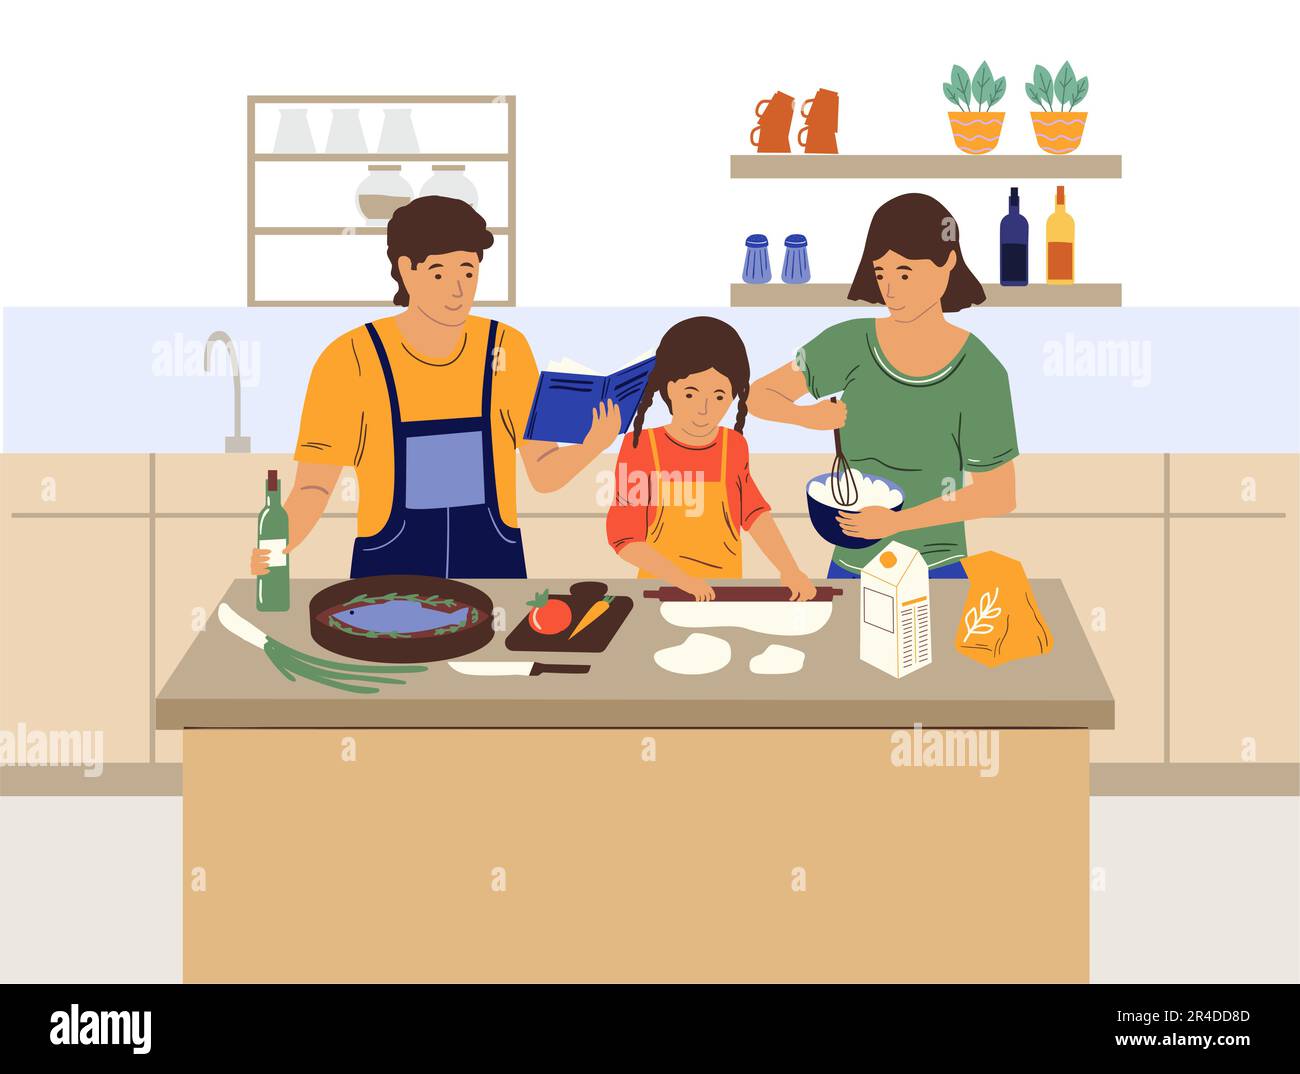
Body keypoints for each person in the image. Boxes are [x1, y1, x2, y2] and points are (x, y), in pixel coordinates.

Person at [250, 196, 619, 580]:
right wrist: (278, 545)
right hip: (390, 573)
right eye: (439, 273)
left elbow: (543, 473)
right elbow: (313, 487)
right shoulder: (352, 359)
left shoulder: (505, 349)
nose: (458, 291)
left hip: (491, 568)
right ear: (405, 270)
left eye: (469, 271)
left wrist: (593, 444)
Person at [748, 193, 1018, 579]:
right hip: (853, 565)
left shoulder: (980, 372)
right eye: (881, 274)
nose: (889, 290)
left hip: (935, 567)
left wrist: (897, 523)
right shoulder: (848, 343)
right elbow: (757, 396)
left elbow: (998, 495)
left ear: (948, 264)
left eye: (904, 273)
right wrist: (806, 417)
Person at [606, 316, 816, 601]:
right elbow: (624, 538)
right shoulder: (642, 447)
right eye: (690, 394)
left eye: (719, 397)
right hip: (659, 593)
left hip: (726, 592)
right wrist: (683, 581)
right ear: (669, 388)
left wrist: (789, 570)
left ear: (733, 396)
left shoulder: (734, 447)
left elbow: (754, 514)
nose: (704, 410)